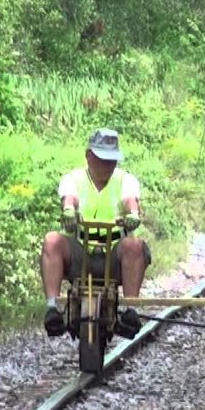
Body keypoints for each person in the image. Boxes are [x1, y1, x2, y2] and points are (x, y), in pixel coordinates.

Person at [40, 128, 151, 339]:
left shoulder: (125, 180)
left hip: (113, 254)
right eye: (102, 159)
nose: (107, 165)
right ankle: (52, 308)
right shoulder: (74, 178)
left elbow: (130, 201)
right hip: (80, 251)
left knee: (135, 245)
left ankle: (131, 310)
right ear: (89, 155)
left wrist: (133, 214)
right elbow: (69, 197)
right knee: (52, 240)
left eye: (112, 160)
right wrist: (69, 211)